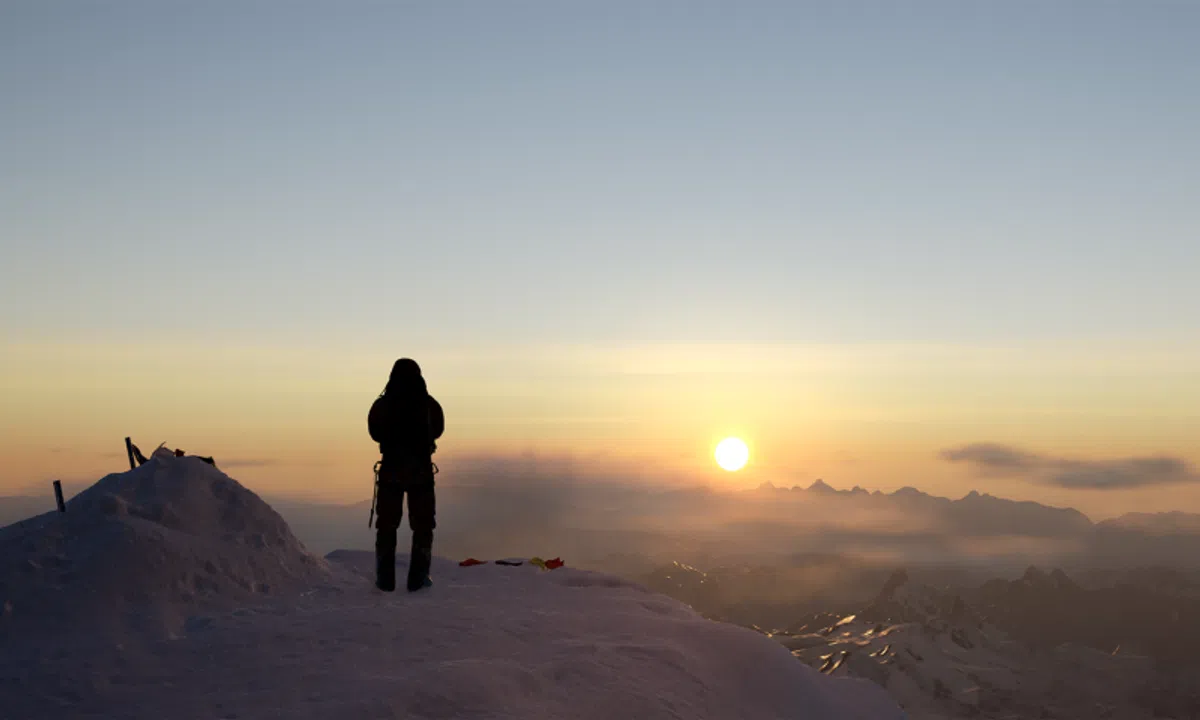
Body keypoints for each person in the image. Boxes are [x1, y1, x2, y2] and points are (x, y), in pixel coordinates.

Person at [367, 358, 444, 592]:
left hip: (391, 470)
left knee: (386, 526)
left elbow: (374, 432)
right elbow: (438, 429)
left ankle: (384, 580)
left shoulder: (382, 404)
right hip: (421, 472)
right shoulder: (429, 404)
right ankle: (418, 579)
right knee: (423, 526)